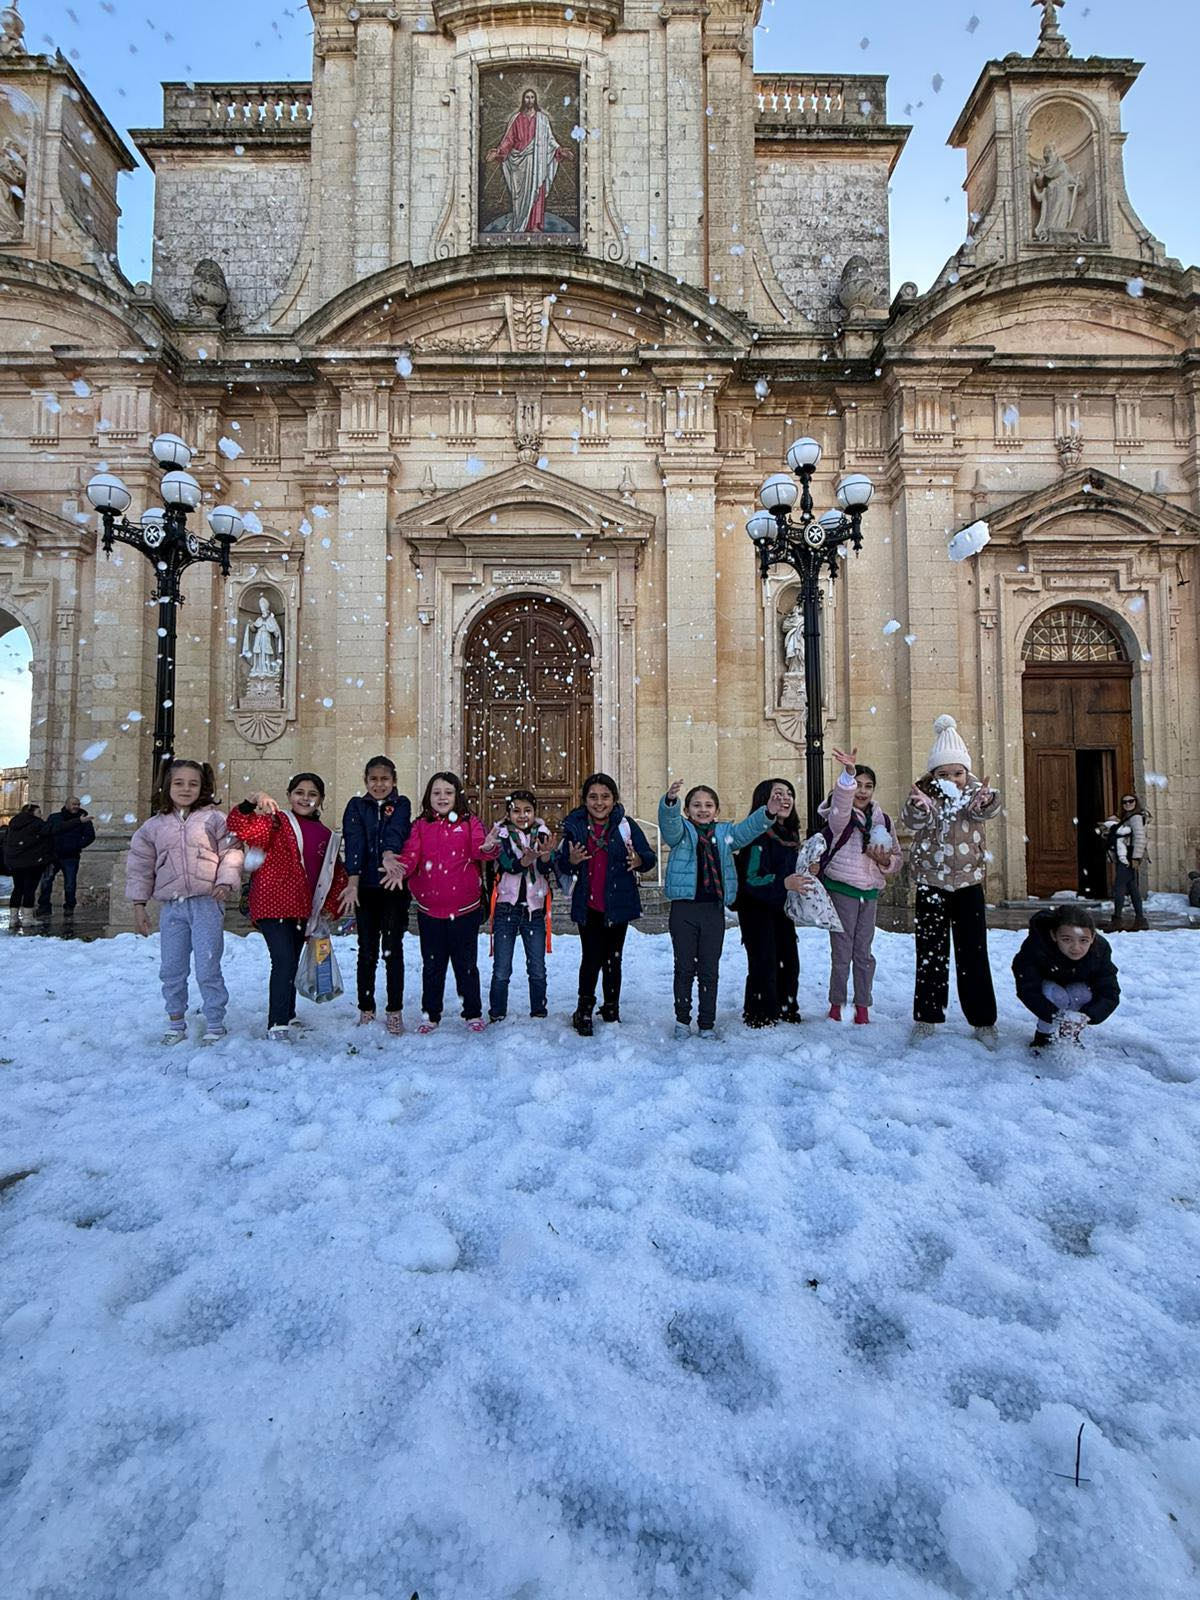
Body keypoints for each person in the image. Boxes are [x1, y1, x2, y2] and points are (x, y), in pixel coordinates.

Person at [125, 760, 244, 1045]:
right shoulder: (153, 827)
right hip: (173, 907)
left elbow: (232, 851)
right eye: (179, 783)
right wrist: (139, 904)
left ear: (203, 787)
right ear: (167, 786)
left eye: (193, 783)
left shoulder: (215, 819)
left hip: (206, 903)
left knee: (208, 965)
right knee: (172, 967)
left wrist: (225, 881)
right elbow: (140, 865)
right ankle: (175, 1020)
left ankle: (215, 1020)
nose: (186, 789)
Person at [901, 714, 1002, 1047]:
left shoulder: (975, 794)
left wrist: (985, 800)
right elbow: (913, 819)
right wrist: (920, 806)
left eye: (957, 773)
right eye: (944, 774)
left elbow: (984, 809)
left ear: (966, 772)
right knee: (931, 952)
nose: (952, 779)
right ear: (934, 775)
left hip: (967, 885)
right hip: (932, 884)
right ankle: (927, 1017)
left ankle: (983, 1020)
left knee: (973, 953)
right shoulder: (926, 795)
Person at [226, 773, 348, 1041]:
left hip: (303, 909)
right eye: (300, 792)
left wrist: (330, 907)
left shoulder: (327, 835)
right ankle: (277, 1023)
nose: (305, 798)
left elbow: (333, 875)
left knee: (290, 961)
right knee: (283, 960)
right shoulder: (276, 823)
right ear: (290, 795)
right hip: (272, 904)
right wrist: (253, 799)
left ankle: (288, 1013)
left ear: (321, 800)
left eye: (312, 794)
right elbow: (240, 826)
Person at [659, 777, 776, 1041]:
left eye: (709, 805)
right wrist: (669, 803)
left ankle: (707, 1022)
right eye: (696, 805)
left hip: (712, 911)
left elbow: (748, 830)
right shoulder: (682, 833)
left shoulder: (724, 836)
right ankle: (681, 1019)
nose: (703, 809)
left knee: (710, 970)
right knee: (684, 968)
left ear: (717, 811)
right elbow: (669, 825)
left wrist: (767, 812)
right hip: (684, 911)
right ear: (687, 810)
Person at [382, 771, 499, 1034]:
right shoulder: (420, 825)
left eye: (448, 792)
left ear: (457, 796)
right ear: (429, 797)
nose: (442, 797)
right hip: (430, 912)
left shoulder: (470, 823)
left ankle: (472, 1012)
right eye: (437, 793)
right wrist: (401, 868)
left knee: (466, 965)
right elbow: (412, 854)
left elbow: (479, 850)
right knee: (433, 965)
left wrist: (490, 847)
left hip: (465, 910)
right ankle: (431, 1013)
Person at [556, 773, 656, 1036]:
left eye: (605, 797)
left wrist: (639, 861)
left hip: (618, 903)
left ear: (614, 799)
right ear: (584, 800)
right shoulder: (574, 825)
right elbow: (561, 863)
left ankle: (611, 1007)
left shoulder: (626, 826)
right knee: (591, 958)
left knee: (613, 958)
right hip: (588, 904)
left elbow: (648, 856)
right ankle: (585, 1010)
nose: (599, 802)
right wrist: (572, 861)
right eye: (593, 797)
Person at [817, 746, 903, 1025]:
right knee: (842, 952)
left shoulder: (883, 820)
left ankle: (863, 1005)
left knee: (863, 953)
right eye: (858, 786)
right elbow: (841, 806)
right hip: (843, 890)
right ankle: (836, 1002)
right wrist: (848, 776)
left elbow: (897, 859)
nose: (863, 791)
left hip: (870, 893)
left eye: (868, 786)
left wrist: (884, 861)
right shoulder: (840, 816)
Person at [339, 756, 412, 1034]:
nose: (379, 784)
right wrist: (353, 881)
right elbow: (354, 840)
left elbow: (398, 829)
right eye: (373, 779)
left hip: (393, 887)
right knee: (366, 950)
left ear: (393, 781)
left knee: (392, 950)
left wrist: (389, 853)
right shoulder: (357, 806)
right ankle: (366, 1007)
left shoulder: (401, 804)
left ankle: (394, 1010)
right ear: (365, 781)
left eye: (384, 779)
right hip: (367, 888)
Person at [735, 777, 804, 1028]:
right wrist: (783, 882)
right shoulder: (758, 835)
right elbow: (752, 879)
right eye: (777, 794)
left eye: (789, 793)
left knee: (788, 958)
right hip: (756, 907)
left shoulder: (791, 833)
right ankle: (760, 1013)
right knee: (764, 961)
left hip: (780, 906)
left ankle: (786, 1008)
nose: (785, 798)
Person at [487, 788, 555, 1024]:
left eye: (527, 810)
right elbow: (506, 863)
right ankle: (497, 1012)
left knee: (537, 967)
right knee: (502, 968)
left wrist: (545, 858)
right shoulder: (502, 835)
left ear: (535, 813)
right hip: (508, 907)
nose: (522, 815)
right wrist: (523, 860)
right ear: (508, 813)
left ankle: (538, 1010)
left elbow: (548, 869)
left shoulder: (543, 834)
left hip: (534, 909)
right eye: (516, 811)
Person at [1012, 904, 1120, 1052]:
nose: (1076, 948)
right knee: (1058, 996)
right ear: (1053, 935)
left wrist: (1088, 1016)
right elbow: (1028, 988)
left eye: (1083, 940)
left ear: (1093, 937)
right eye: (1067, 939)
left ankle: (1069, 1034)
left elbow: (1109, 991)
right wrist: (1054, 1015)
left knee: (1080, 993)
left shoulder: (1099, 950)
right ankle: (1044, 1036)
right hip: (1048, 987)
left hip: (1076, 985)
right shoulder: (1037, 946)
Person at [36, 795, 96, 916]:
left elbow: (90, 836)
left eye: (78, 804)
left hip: (71, 856)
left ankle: (69, 906)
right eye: (74, 804)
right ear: (67, 804)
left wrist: (77, 845)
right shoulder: (54, 817)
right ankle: (44, 906)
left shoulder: (83, 819)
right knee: (46, 881)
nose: (76, 807)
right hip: (53, 855)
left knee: (70, 883)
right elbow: (47, 832)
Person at [1101, 793, 1149, 932]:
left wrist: (1136, 858)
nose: (1128, 804)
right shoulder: (1128, 817)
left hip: (1128, 857)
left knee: (1119, 887)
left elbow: (1139, 837)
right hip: (1126, 855)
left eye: (1131, 801)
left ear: (1136, 802)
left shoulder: (1135, 817)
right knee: (1132, 887)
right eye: (1124, 802)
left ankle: (1117, 919)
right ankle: (1140, 919)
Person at [4, 802, 50, 929]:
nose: (41, 815)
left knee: (18, 889)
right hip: (31, 862)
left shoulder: (14, 824)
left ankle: (13, 919)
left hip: (15, 862)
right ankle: (27, 918)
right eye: (39, 812)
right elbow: (53, 830)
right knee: (29, 889)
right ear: (32, 813)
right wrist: (78, 821)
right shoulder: (36, 824)